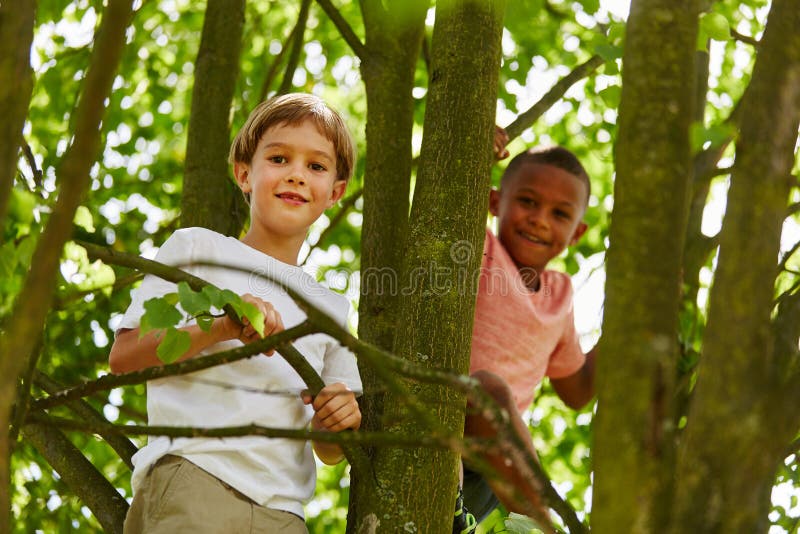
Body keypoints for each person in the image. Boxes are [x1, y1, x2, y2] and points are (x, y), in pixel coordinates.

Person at [109, 93, 362, 534]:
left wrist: (336, 418)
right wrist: (222, 326)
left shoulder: (331, 309)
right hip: (196, 477)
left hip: (284, 515)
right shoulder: (198, 250)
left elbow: (331, 450)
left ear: (335, 192)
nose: (298, 175)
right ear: (244, 174)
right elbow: (125, 357)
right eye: (280, 158)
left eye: (316, 167)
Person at [453, 138, 596, 533]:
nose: (540, 219)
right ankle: (543, 525)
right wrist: (475, 148)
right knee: (485, 389)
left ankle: (527, 521)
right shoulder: (479, 249)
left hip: (494, 471)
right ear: (495, 202)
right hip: (440, 422)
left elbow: (578, 390)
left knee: (489, 393)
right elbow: (447, 206)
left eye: (559, 213)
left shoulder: (559, 297)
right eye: (528, 202)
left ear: (577, 232)